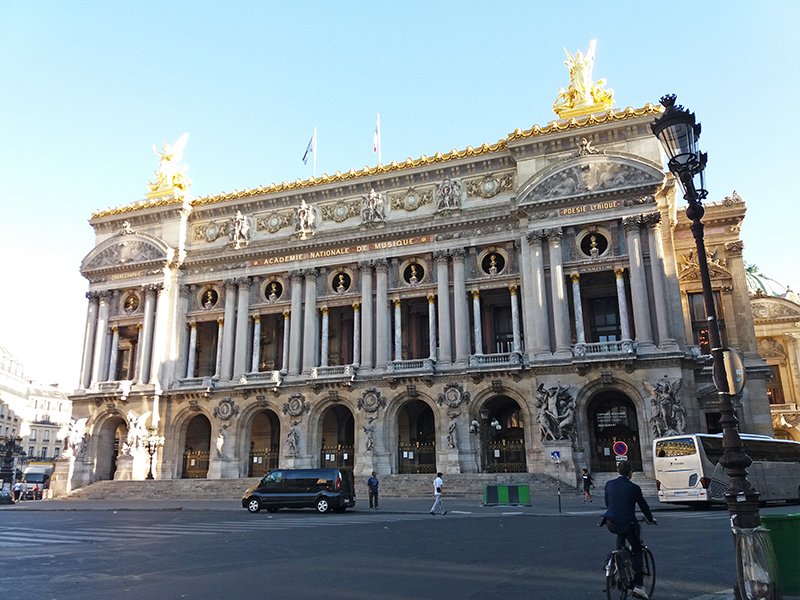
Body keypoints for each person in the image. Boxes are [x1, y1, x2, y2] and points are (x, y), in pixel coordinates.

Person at [602, 461, 657, 600]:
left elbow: (608, 504)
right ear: (630, 472)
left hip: (611, 522)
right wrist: (650, 519)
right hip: (628, 523)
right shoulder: (634, 488)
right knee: (637, 550)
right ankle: (639, 586)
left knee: (620, 538)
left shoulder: (609, 484)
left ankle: (619, 562)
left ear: (618, 471)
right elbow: (644, 506)